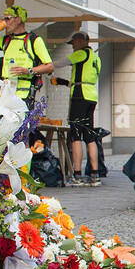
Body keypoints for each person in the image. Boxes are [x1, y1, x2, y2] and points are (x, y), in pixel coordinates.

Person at [0, 5, 54, 110]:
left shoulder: (34, 40)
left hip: (25, 95)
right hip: (6, 94)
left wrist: (28, 70)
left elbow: (50, 67)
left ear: (18, 19)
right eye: (4, 19)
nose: (4, 22)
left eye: (7, 19)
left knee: (21, 125)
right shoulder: (5, 40)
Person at [52, 31, 102, 186]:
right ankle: (94, 174)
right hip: (91, 96)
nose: (73, 47)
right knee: (90, 135)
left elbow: (60, 63)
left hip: (79, 97)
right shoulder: (95, 58)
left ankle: (77, 174)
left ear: (80, 41)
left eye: (73, 43)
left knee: (76, 135)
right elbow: (83, 80)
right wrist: (62, 82)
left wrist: (44, 67)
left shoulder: (82, 53)